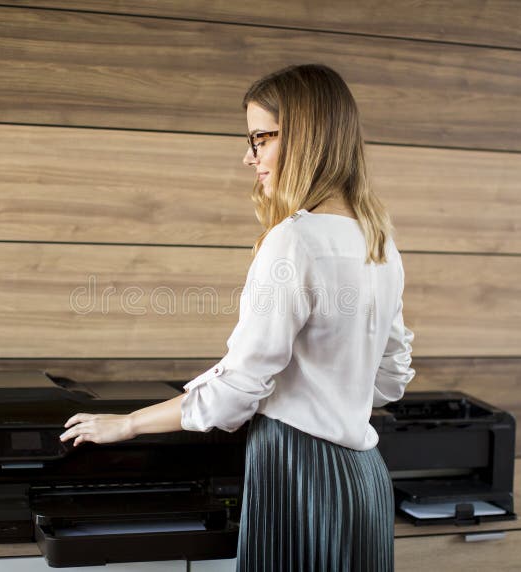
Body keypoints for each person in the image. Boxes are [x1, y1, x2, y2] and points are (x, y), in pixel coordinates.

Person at [60, 63, 415, 572]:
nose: (248, 156)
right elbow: (390, 381)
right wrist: (328, 387)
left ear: (306, 137)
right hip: (365, 481)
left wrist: (129, 424)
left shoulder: (294, 240)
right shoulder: (379, 242)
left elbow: (240, 386)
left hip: (299, 476)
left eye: (261, 139)